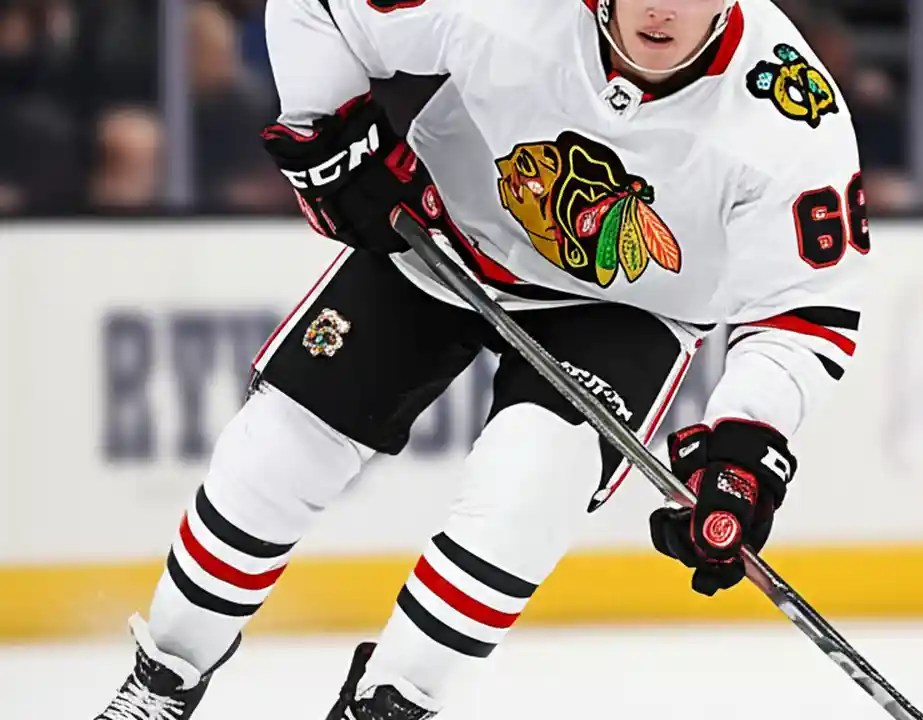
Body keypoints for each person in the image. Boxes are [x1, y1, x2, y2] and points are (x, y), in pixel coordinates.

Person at [95, 0, 867, 718]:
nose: (662, 8)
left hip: (626, 309)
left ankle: (387, 705)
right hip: (442, 236)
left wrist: (745, 441)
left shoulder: (794, 120)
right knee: (277, 452)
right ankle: (164, 674)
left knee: (525, 498)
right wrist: (325, 128)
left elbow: (807, 309)